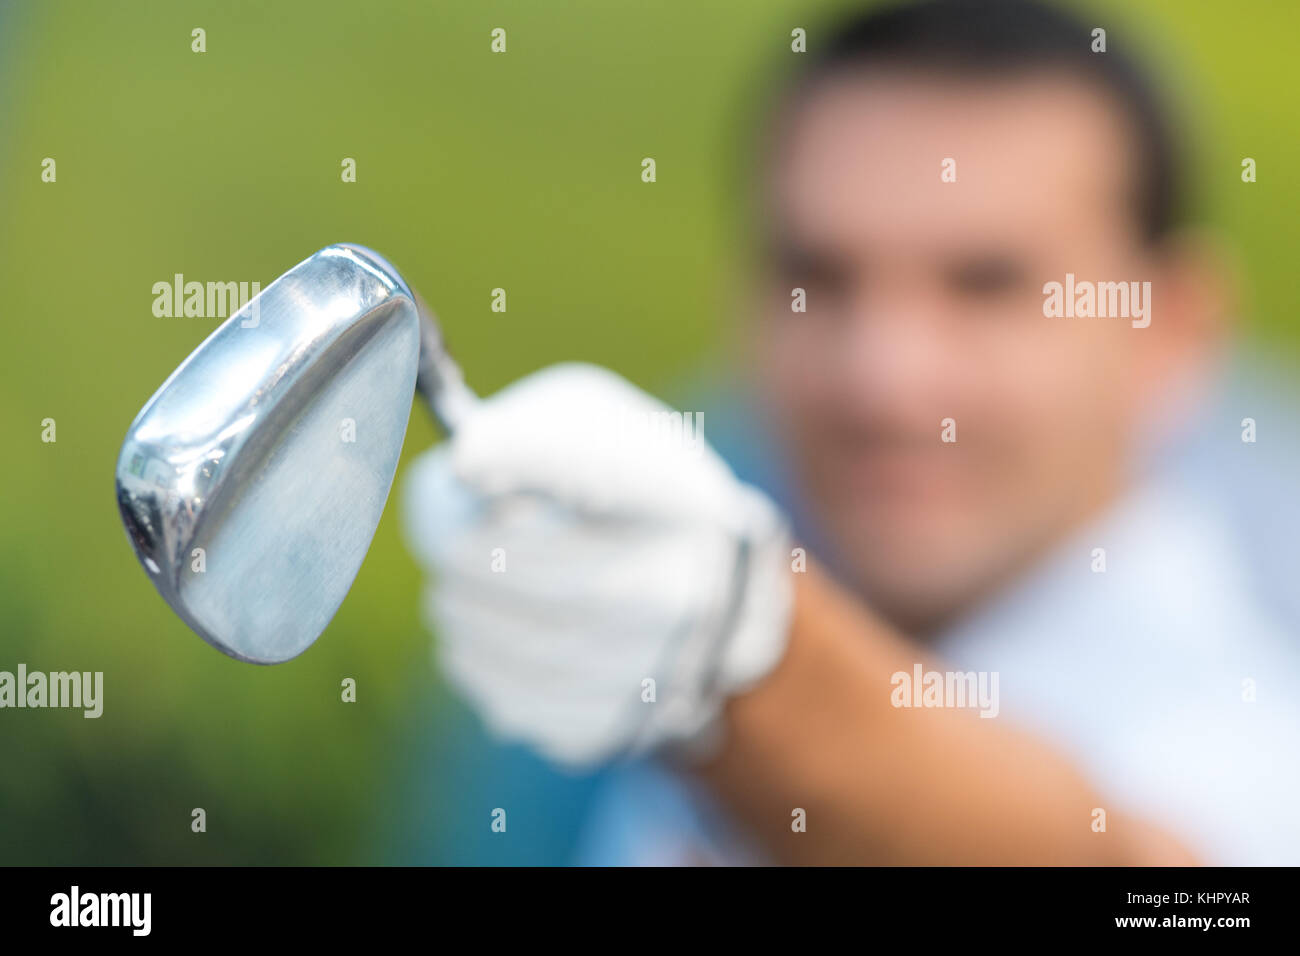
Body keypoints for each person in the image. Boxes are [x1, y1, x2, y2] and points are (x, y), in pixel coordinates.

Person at [402, 0, 1300, 865]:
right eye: (818, 279)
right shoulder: (584, 661)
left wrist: (736, 658)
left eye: (988, 286)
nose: (884, 377)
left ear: (1170, 335)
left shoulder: (1249, 725)